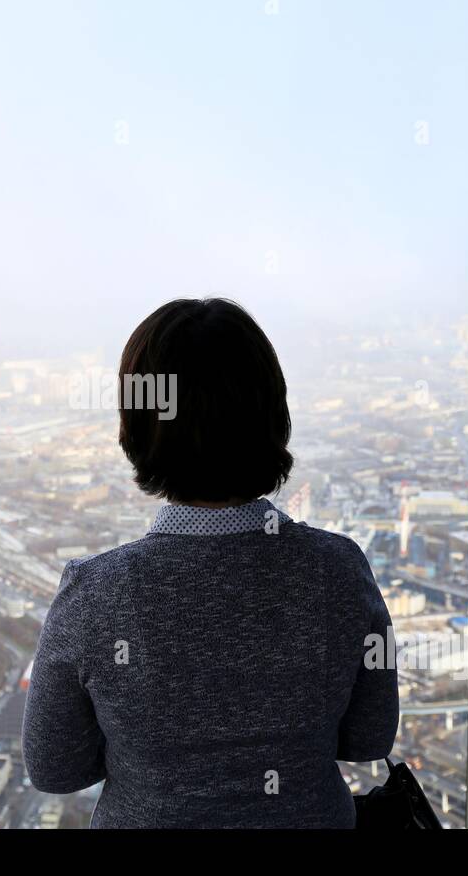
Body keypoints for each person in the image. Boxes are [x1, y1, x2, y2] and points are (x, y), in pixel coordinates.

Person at [22, 297, 398, 827]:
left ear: (138, 426)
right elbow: (369, 738)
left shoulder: (95, 594)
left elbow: (54, 769)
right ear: (274, 414)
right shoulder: (338, 570)